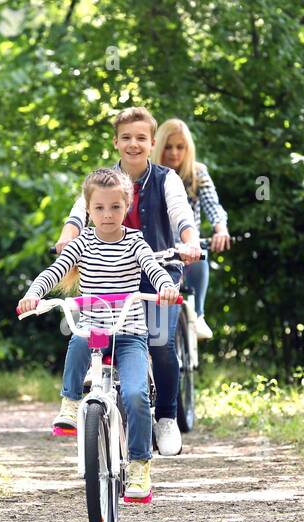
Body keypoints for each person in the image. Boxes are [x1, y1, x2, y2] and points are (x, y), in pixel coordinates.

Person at [20, 168, 179, 500]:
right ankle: (70, 403)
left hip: (131, 332)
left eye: (116, 207)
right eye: (100, 208)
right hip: (95, 330)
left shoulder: (135, 241)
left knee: (136, 396)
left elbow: (153, 269)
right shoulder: (82, 243)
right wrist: (35, 294)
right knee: (78, 339)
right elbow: (54, 271)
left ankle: (139, 465)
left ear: (126, 207)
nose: (108, 215)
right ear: (88, 211)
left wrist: (165, 287)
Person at [53, 107, 201, 456]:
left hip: (158, 275)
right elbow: (79, 211)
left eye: (141, 138)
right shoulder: (105, 179)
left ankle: (165, 416)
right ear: (116, 142)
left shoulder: (167, 179)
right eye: (126, 137)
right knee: (89, 336)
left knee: (161, 343)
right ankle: (92, 403)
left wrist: (190, 242)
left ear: (152, 143)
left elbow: (181, 214)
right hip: (112, 278)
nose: (133, 144)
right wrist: (66, 237)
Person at [153, 119, 232, 339]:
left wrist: (221, 230)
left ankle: (198, 314)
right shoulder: (150, 175)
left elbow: (212, 205)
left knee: (199, 256)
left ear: (188, 149)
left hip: (188, 245)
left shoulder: (197, 173)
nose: (174, 153)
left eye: (180, 147)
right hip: (157, 247)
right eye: (168, 147)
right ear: (158, 146)